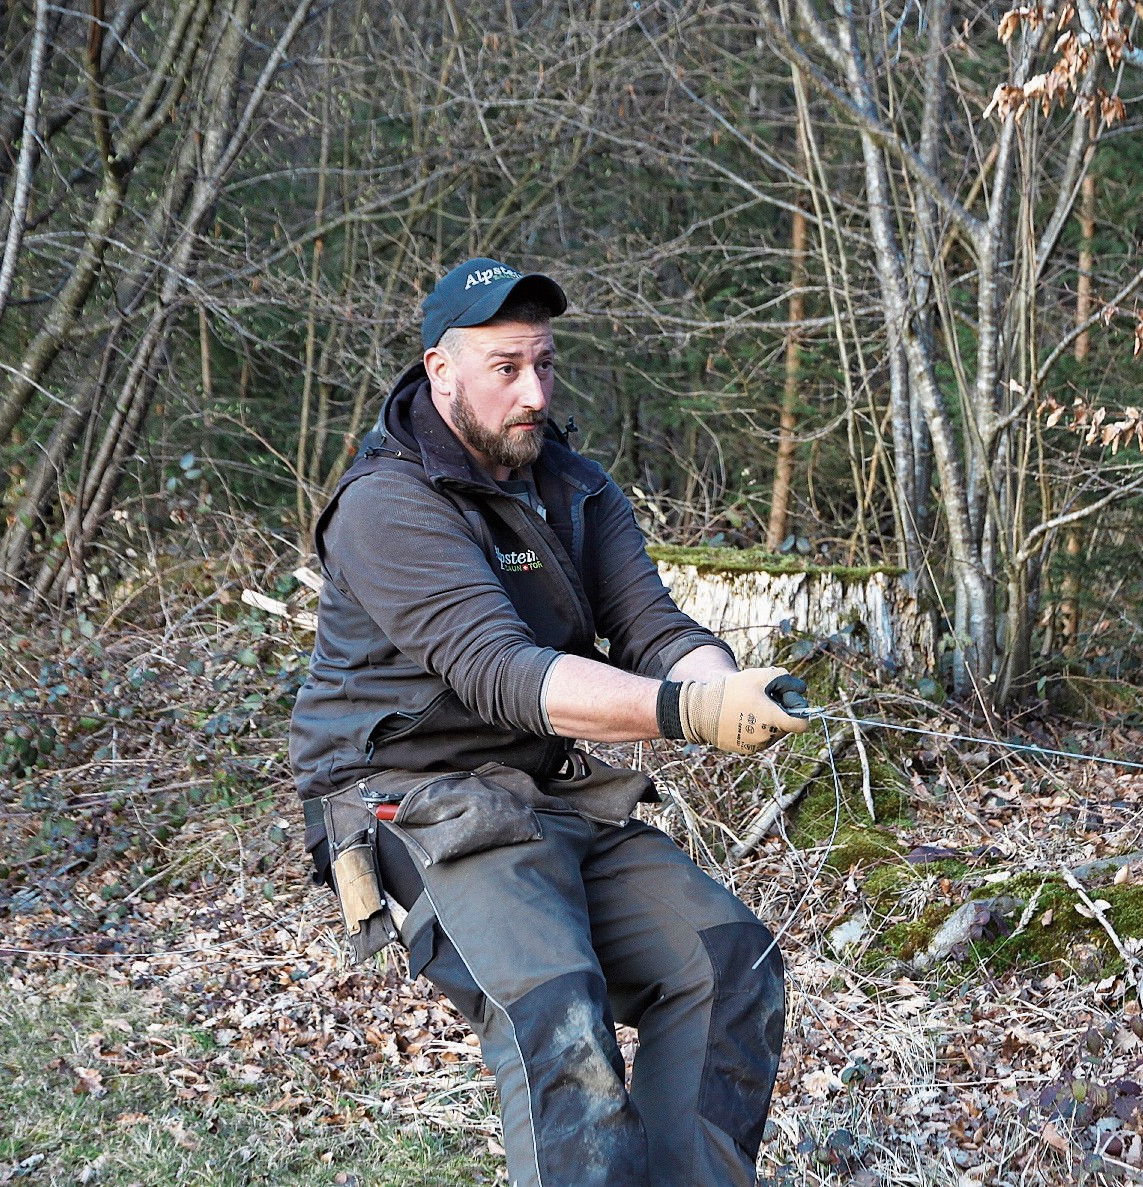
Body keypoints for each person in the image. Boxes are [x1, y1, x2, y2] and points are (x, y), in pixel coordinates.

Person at [288, 257, 810, 1187]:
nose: (534, 392)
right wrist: (685, 711)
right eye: (505, 368)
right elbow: (500, 671)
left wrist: (726, 686)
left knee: (732, 967)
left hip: (539, 793)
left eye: (545, 364)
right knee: (556, 1009)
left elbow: (653, 627)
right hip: (407, 800)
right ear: (438, 369)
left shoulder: (573, 484)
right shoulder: (386, 506)